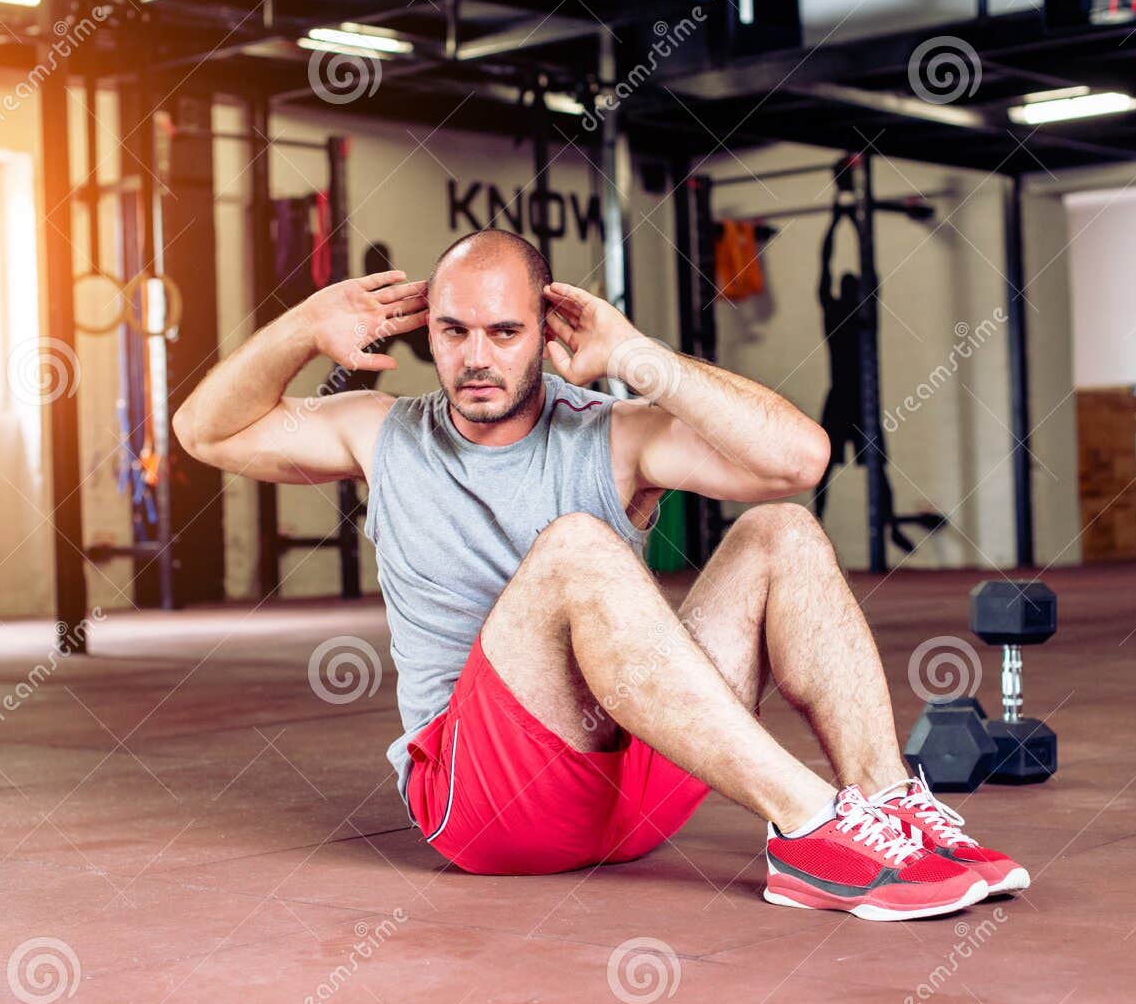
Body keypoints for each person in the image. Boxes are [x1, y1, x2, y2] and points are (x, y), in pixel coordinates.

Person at [174, 229, 1028, 921]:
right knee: (578, 548)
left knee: (783, 532)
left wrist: (637, 356)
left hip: (634, 791)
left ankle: (891, 806)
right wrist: (300, 329)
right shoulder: (380, 433)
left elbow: (799, 460)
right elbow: (204, 433)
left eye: (505, 332)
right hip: (485, 806)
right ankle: (813, 826)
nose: (476, 357)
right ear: (427, 331)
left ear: (547, 331)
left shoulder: (611, 433)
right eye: (454, 331)